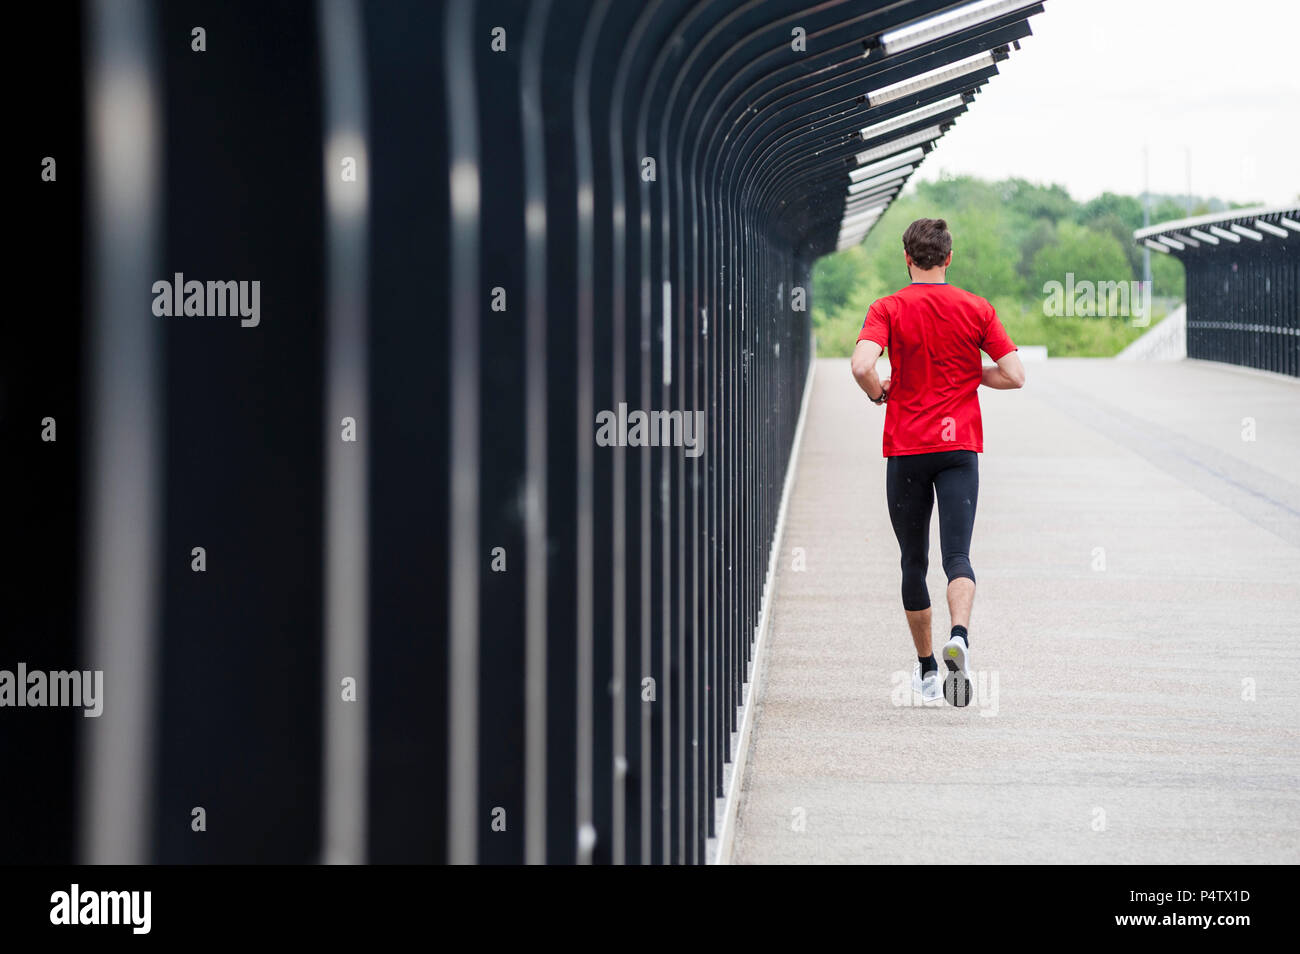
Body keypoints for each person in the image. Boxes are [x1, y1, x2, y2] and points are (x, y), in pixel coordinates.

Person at [850, 218, 1025, 707]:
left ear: (907, 259)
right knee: (957, 557)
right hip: (958, 449)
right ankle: (961, 637)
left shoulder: (887, 307)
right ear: (949, 258)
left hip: (907, 447)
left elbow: (863, 364)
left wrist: (877, 391)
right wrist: (973, 371)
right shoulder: (976, 308)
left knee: (913, 560)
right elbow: (1015, 375)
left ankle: (928, 668)